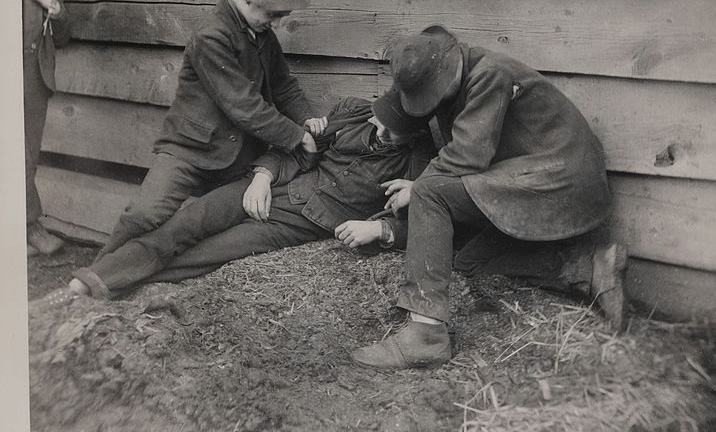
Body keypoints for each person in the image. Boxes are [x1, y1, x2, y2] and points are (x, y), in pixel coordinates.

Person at [351, 25, 627, 371]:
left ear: (449, 66)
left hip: (562, 179)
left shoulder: (489, 74)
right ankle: (585, 267)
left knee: (429, 191)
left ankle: (426, 335)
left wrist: (417, 186)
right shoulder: (455, 78)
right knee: (470, 261)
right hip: (530, 177)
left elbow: (467, 158)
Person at [46, 92, 431, 302]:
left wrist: (379, 229)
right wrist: (262, 177)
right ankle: (90, 280)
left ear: (414, 135)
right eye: (382, 125)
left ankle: (114, 289)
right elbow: (296, 147)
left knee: (207, 253)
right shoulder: (353, 114)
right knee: (187, 222)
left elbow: (423, 220)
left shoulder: (420, 161)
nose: (384, 135)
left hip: (301, 222)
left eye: (397, 134)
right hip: (277, 186)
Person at [97, 0, 330, 259]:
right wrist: (297, 136)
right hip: (190, 150)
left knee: (219, 229)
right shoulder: (212, 34)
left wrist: (306, 118)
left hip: (237, 155)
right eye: (273, 14)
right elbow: (242, 104)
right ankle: (97, 275)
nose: (275, 24)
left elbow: (283, 85)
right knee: (145, 214)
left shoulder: (262, 36)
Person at [22, 0, 71, 255]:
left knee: (27, 153)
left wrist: (52, 4)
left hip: (31, 75)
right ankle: (28, 227)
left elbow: (65, 35)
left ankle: (25, 228)